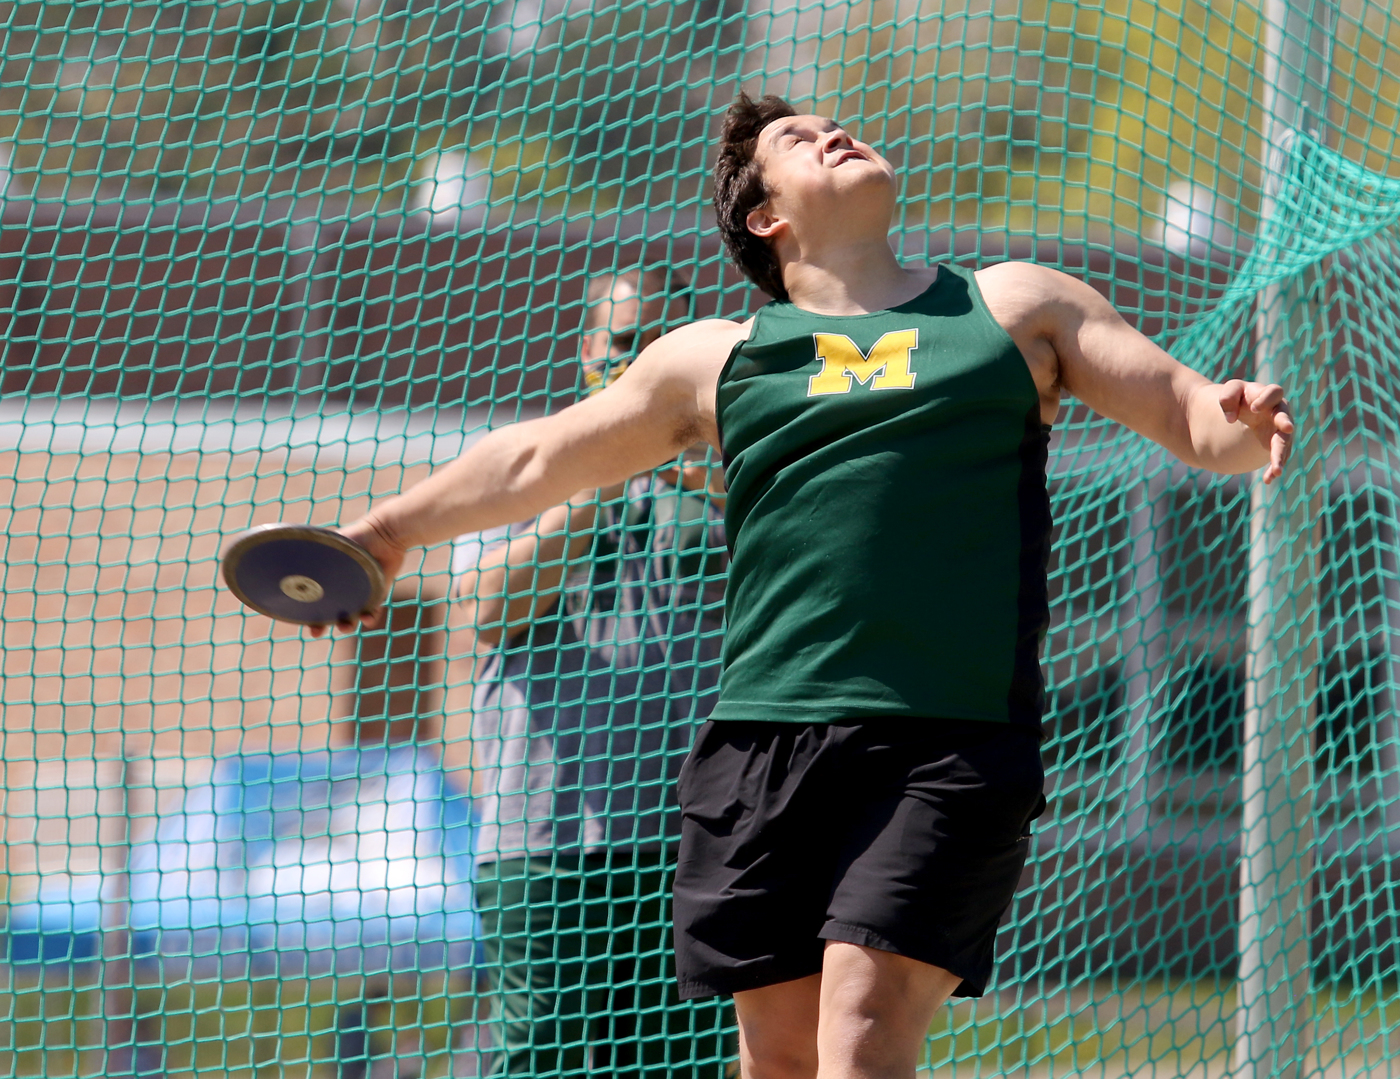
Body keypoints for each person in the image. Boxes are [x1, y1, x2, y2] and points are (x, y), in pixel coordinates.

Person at [316, 92, 1294, 1079]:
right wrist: (390, 532)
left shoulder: (1012, 305)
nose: (831, 131)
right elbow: (534, 458)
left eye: (831, 125)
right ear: (764, 218)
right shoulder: (716, 359)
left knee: (861, 1029)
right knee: (778, 1059)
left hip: (940, 737)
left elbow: (1181, 406)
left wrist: (1232, 419)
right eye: (794, 140)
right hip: (758, 749)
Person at [450, 267, 731, 1079]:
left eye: (659, 346)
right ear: (586, 351)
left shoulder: (732, 479)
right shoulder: (533, 466)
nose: (638, 361)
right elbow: (485, 610)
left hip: (694, 845)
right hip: (543, 847)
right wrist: (596, 483)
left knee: (681, 1064)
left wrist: (707, 479)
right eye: (621, 343)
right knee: (538, 1060)